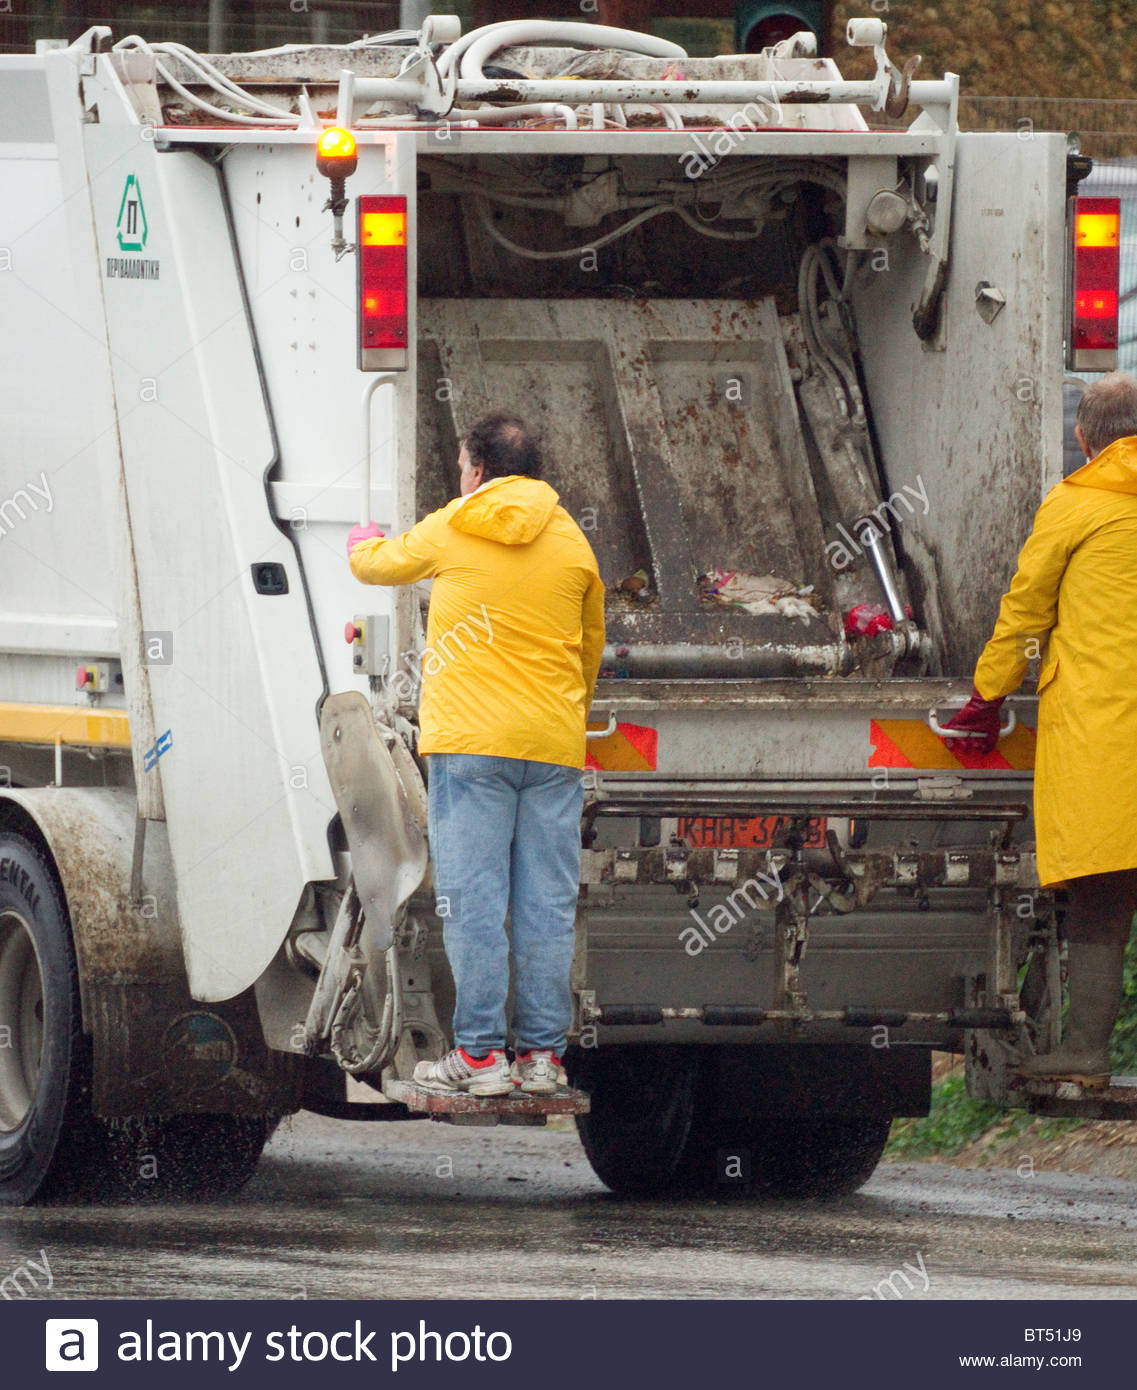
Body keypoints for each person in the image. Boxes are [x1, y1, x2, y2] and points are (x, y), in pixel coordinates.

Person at [347, 412, 606, 1096]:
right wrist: (560, 719)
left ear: (478, 470)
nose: (460, 475)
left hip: (470, 746)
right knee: (546, 907)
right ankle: (542, 1061)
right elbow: (589, 645)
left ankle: (481, 1059)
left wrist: (360, 537)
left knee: (474, 903)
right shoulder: (571, 538)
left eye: (463, 464)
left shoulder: (457, 522)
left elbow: (375, 566)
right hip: (551, 748)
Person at [944, 371, 1137, 1089]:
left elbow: (1026, 612)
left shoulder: (1075, 502)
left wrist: (985, 697)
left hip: (1106, 730)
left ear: (1083, 441)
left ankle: (1084, 1052)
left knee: (1104, 888)